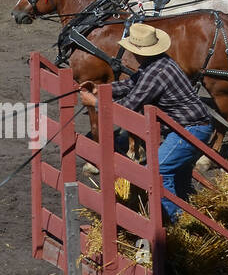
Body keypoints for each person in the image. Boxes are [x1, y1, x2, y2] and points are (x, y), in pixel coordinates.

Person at [77, 24, 213, 224]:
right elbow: (131, 84)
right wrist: (100, 89)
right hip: (192, 126)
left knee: (157, 171)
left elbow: (129, 106)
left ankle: (176, 225)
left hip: (189, 130)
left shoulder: (155, 72)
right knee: (178, 179)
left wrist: (95, 103)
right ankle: (190, 217)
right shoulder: (157, 63)